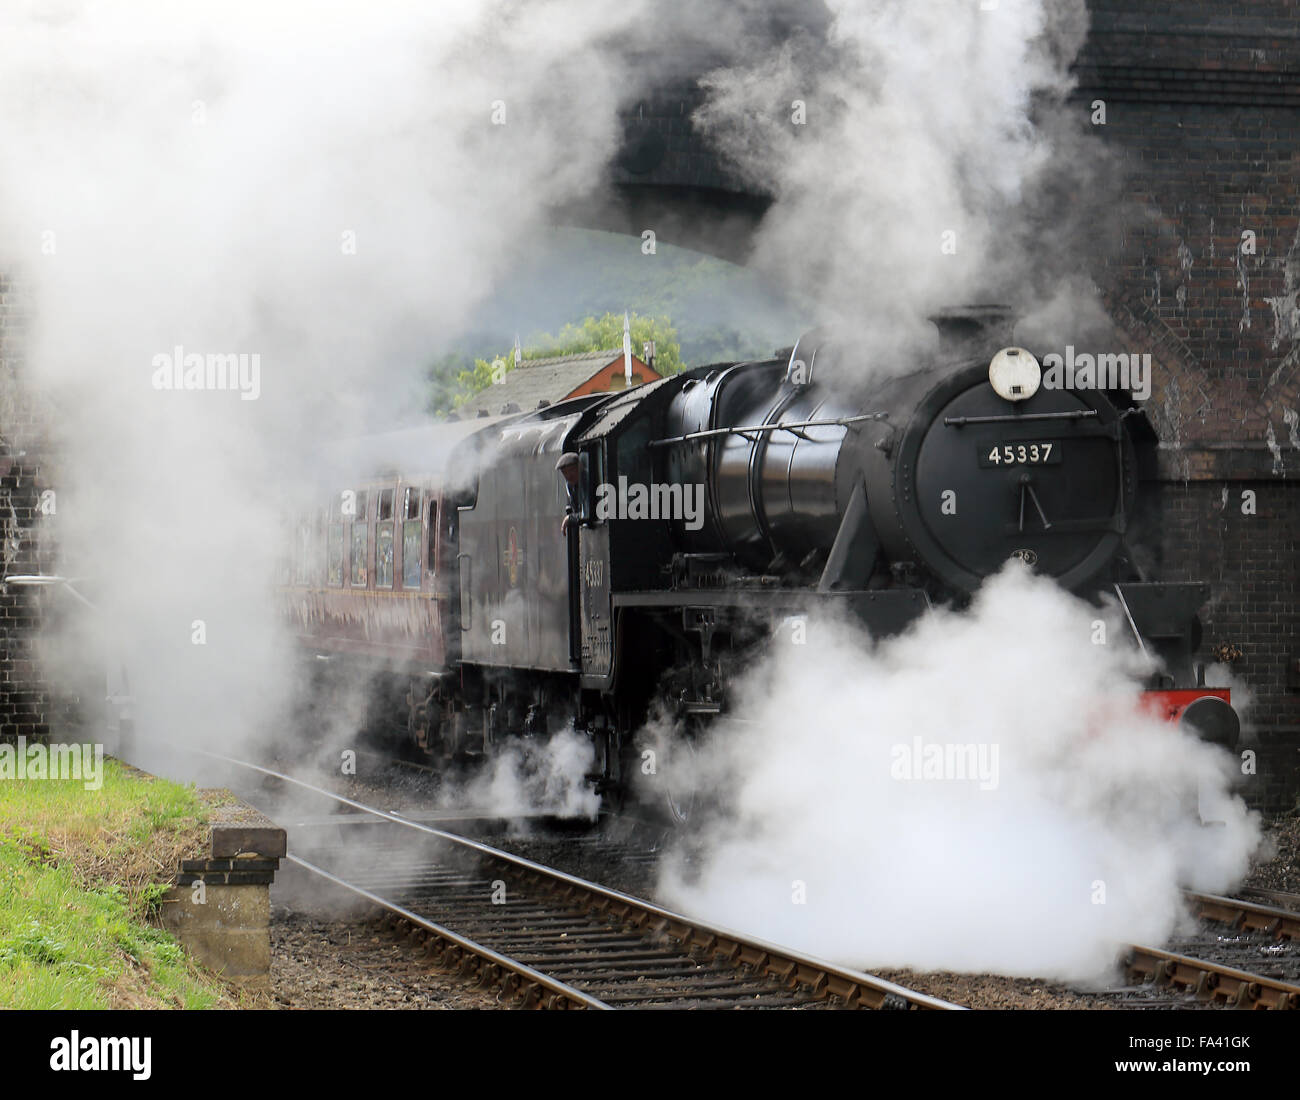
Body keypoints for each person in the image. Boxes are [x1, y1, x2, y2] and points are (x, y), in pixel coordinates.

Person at [556, 452, 581, 535]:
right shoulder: (569, 485)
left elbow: (590, 513)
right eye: (565, 473)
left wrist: (569, 518)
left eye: (571, 470)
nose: (569, 476)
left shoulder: (588, 483)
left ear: (579, 467)